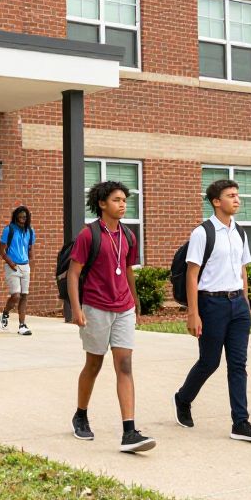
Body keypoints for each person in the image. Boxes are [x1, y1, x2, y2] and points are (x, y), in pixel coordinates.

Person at [173, 179, 251, 442]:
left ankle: (241, 422)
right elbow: (192, 274)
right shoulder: (203, 233)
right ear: (217, 202)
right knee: (209, 362)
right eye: (231, 195)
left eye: (238, 195)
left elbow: (242, 269)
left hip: (238, 305)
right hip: (211, 304)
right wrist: (193, 313)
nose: (237, 200)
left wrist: (245, 302)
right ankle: (183, 398)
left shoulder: (240, 232)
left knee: (238, 364)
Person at [69, 179, 155, 453]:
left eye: (124, 200)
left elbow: (128, 270)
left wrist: (135, 300)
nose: (122, 204)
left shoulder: (128, 236)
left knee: (125, 366)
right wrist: (76, 308)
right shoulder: (88, 235)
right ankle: (80, 414)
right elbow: (74, 273)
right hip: (95, 307)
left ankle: (129, 431)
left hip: (123, 308)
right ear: (102, 204)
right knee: (93, 365)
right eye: (117, 200)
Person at [0, 205, 36, 335]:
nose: (22, 219)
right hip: (12, 266)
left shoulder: (30, 231)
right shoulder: (8, 230)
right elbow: (1, 251)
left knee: (24, 295)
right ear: (15, 217)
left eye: (24, 217)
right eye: (20, 216)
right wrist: (11, 263)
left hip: (25, 266)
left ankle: (22, 325)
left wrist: (31, 262)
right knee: (16, 296)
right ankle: (5, 313)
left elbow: (30, 248)